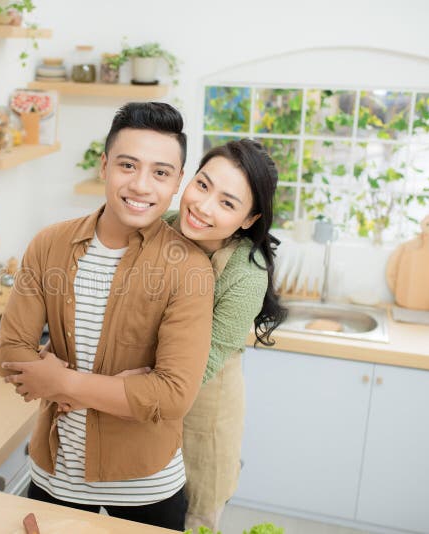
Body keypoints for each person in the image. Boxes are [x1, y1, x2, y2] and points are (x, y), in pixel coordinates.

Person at [0, 102, 214, 530]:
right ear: (104, 166)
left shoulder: (188, 268)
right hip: (55, 477)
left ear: (177, 184)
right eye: (127, 165)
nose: (141, 185)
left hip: (147, 485)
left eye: (161, 172)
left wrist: (62, 381)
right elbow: (10, 354)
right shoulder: (48, 246)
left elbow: (172, 395)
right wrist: (125, 389)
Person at [164, 138, 286, 531]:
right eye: (202, 185)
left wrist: (118, 395)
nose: (202, 206)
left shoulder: (246, 272)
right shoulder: (161, 228)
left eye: (227, 203)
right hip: (143, 404)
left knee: (193, 517)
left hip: (202, 414)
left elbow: (203, 361)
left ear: (249, 219)